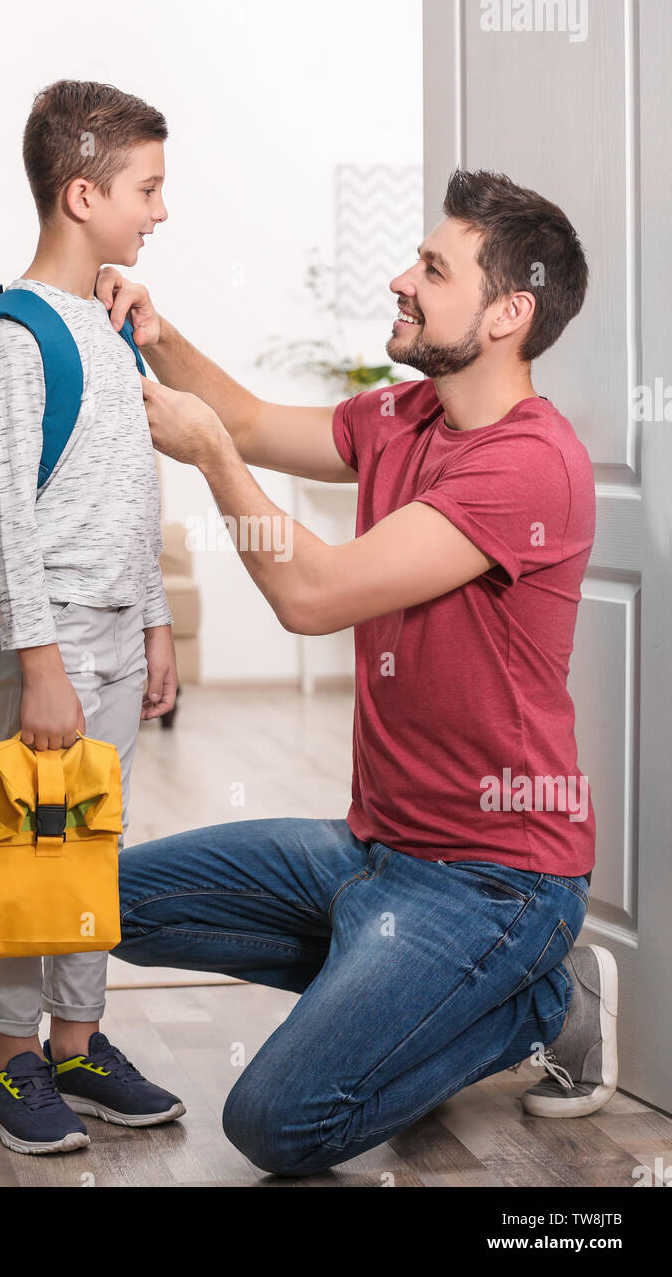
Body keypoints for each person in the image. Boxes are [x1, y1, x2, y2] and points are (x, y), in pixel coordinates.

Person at [95, 168, 619, 1177]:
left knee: (274, 1123)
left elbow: (314, 593)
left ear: (509, 310)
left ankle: (537, 1002)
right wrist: (158, 334)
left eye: (430, 267)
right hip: (373, 851)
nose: (399, 280)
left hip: (495, 881)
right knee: (105, 902)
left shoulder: (524, 466)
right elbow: (245, 418)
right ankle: (401, 990)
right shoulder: (400, 416)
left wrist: (208, 462)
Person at [0, 79, 186, 1154]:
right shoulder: (12, 340)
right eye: (147, 187)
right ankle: (7, 1064)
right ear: (81, 190)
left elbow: (131, 489)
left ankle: (77, 1043)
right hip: (47, 648)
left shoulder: (111, 325)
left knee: (90, 847)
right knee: (27, 847)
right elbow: (7, 517)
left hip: (112, 634)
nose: (159, 209)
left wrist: (153, 622)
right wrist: (40, 662)